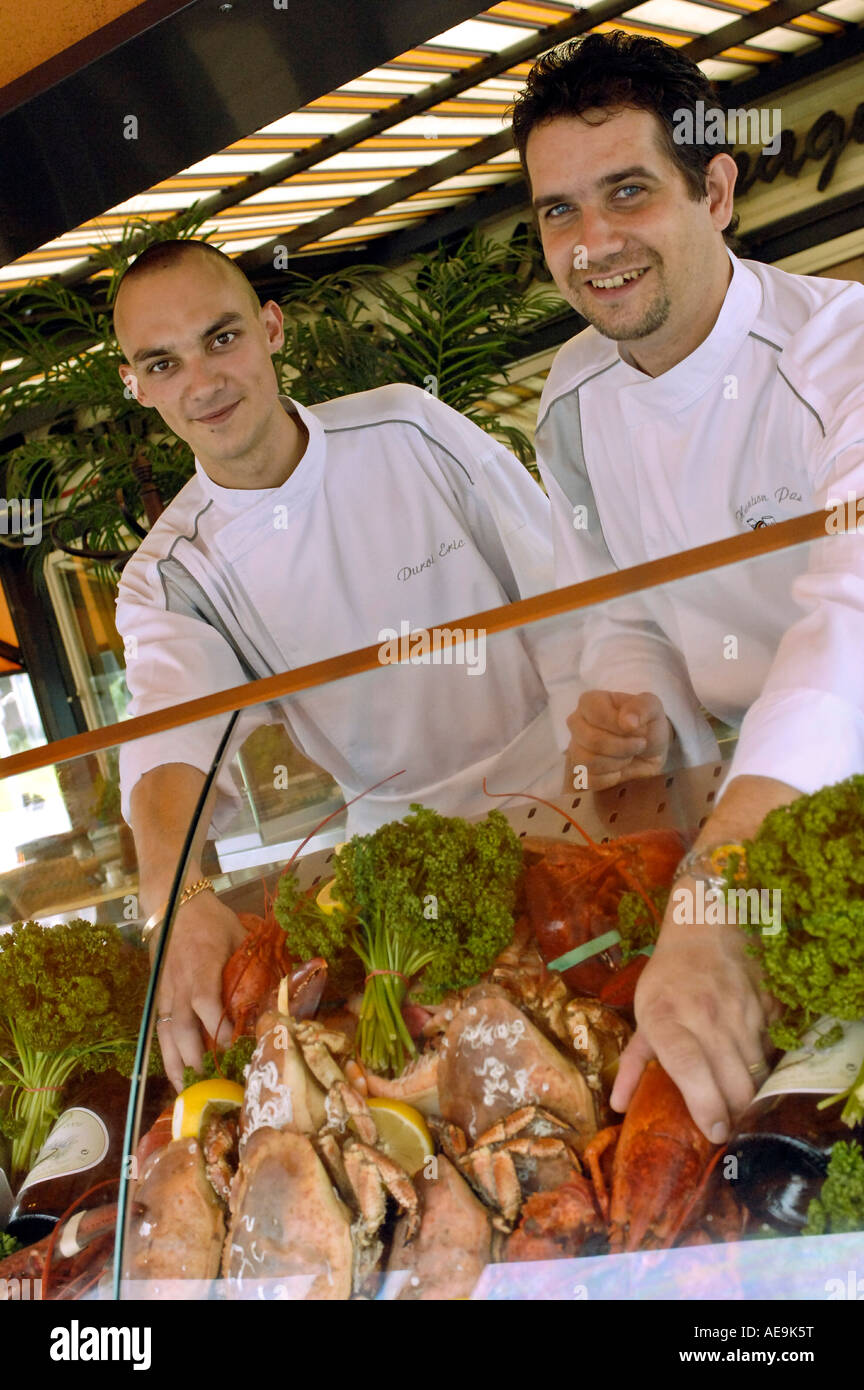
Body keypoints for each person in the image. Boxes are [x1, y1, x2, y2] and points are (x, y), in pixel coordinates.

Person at [511, 32, 864, 1142]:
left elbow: (851, 623)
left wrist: (717, 888)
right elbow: (621, 600)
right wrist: (633, 709)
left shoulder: (839, 353)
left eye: (627, 192)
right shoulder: (569, 401)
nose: (593, 243)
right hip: (750, 825)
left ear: (715, 188)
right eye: (559, 211)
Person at [112, 239, 562, 1089]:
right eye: (163, 363)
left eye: (222, 338)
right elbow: (169, 737)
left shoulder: (406, 425)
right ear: (137, 387)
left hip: (561, 785)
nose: (203, 382)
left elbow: (559, 588)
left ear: (271, 328)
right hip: (396, 861)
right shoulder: (172, 573)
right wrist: (174, 904)